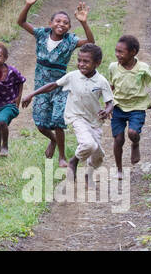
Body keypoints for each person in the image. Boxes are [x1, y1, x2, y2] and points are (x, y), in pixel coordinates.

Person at [16, 0, 94, 166]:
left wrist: (84, 22)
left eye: (66, 22)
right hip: (41, 86)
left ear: (69, 27)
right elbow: (21, 22)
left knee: (58, 121)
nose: (61, 24)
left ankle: (62, 157)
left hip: (60, 86)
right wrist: (28, 5)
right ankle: (52, 140)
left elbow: (90, 42)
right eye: (58, 21)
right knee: (41, 124)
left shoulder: (70, 41)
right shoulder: (42, 34)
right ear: (50, 23)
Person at [24, 43, 114, 185]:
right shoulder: (72, 76)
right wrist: (32, 94)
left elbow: (110, 102)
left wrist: (107, 111)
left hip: (95, 121)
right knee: (88, 145)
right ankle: (73, 161)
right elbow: (53, 85)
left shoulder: (101, 81)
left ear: (97, 63)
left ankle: (88, 174)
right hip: (77, 117)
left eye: (86, 61)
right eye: (79, 60)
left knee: (98, 155)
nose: (81, 64)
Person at [106, 35, 151, 178]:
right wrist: (108, 105)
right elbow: (111, 86)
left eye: (121, 52)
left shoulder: (142, 68)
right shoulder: (113, 67)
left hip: (137, 107)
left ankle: (135, 144)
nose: (118, 55)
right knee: (118, 139)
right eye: (116, 51)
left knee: (132, 133)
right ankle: (119, 169)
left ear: (133, 52)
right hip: (118, 106)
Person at [0, 42, 25, 156]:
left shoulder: (12, 71)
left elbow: (21, 81)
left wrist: (18, 98)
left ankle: (5, 146)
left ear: (5, 58)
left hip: (10, 104)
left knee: (2, 122)